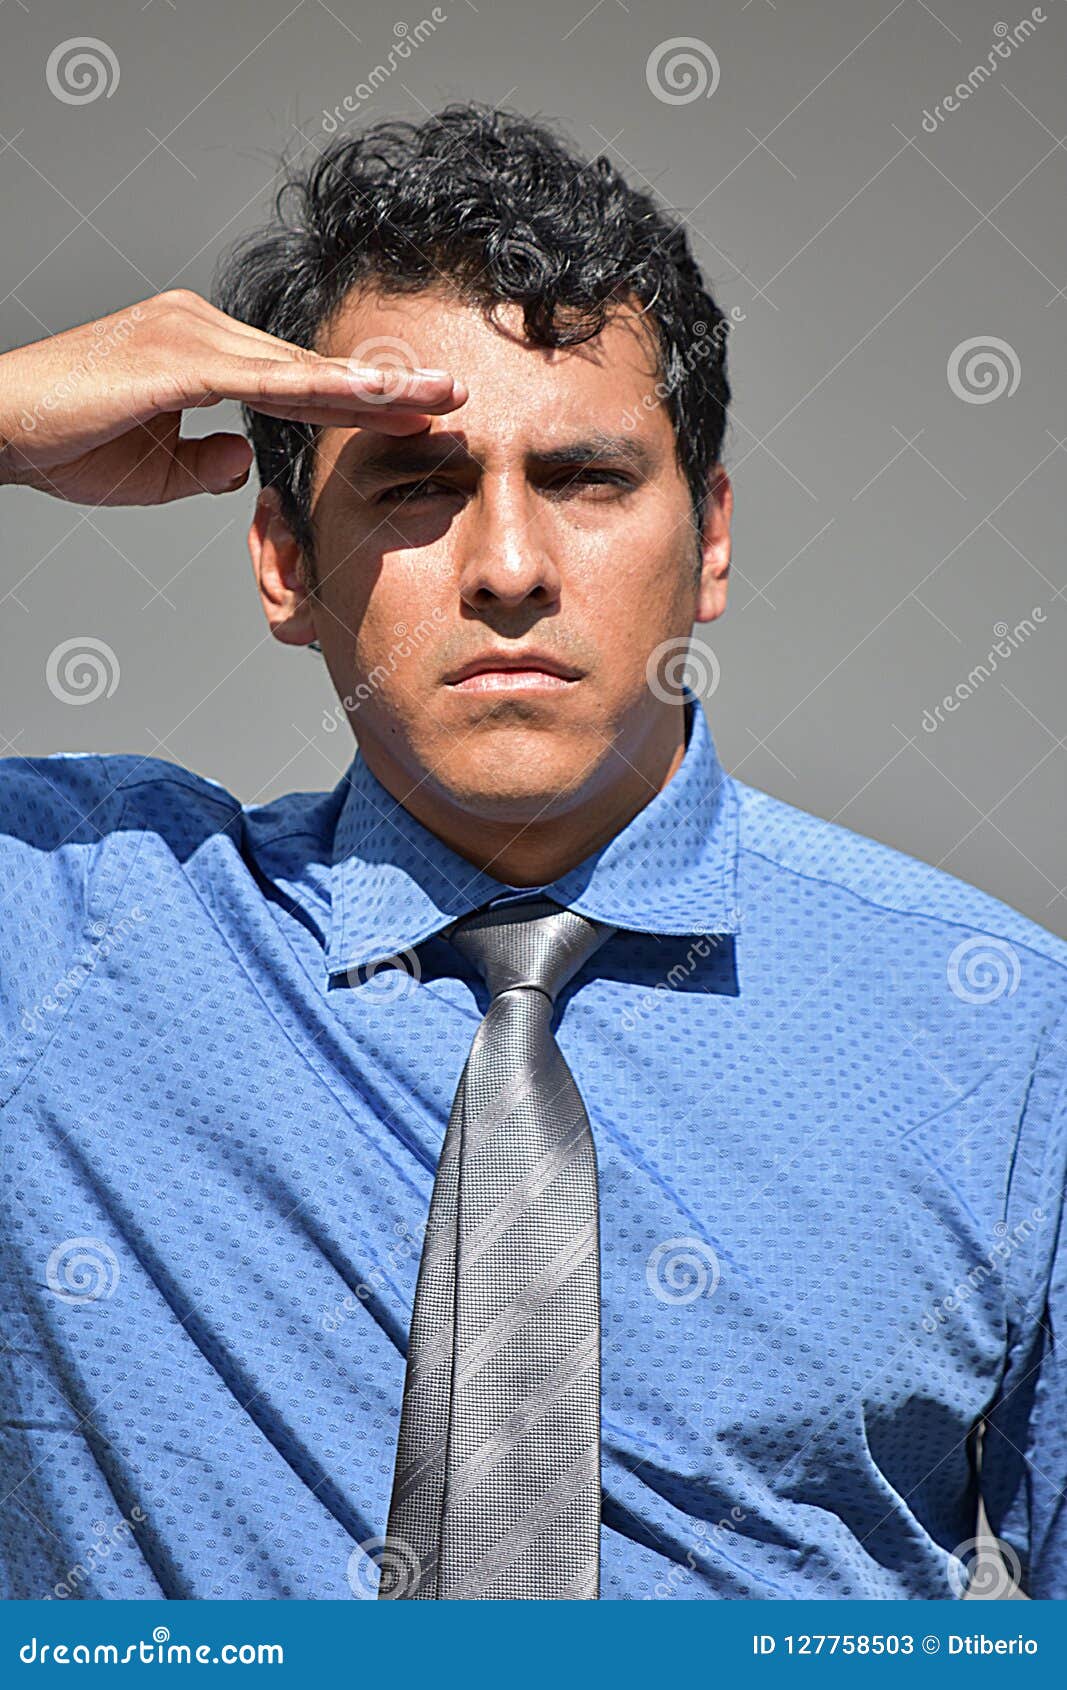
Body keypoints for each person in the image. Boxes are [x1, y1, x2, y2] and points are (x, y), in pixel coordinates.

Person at [0, 103, 1063, 1603]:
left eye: (585, 477)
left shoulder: (1004, 1034)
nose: (508, 564)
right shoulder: (65, 935)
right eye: (418, 484)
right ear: (287, 563)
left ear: (709, 542)